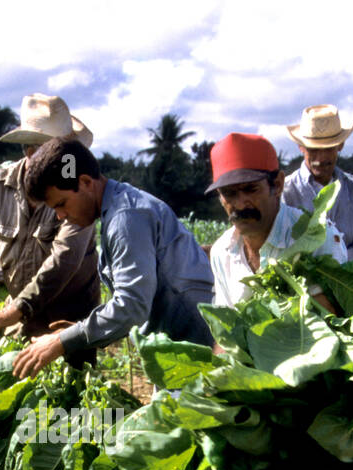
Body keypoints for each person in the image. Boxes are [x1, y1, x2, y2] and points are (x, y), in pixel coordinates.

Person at [13, 136, 214, 379]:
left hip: (199, 356)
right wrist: (78, 332)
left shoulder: (125, 218)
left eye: (62, 203)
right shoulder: (118, 207)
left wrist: (63, 341)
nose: (60, 216)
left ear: (86, 182)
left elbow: (132, 306)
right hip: (181, 353)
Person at [0, 94, 100, 360]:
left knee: (69, 401)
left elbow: (64, 259)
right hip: (20, 323)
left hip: (68, 327)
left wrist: (17, 308)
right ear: (32, 151)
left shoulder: (76, 191)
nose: (65, 162)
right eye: (57, 153)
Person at [205, 132, 347, 308]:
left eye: (251, 189)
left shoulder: (319, 239)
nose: (240, 205)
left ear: (278, 185)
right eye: (229, 193)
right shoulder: (222, 252)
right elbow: (226, 328)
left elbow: (334, 324)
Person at [281, 105, 353, 261]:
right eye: (313, 150)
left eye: (328, 149)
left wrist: (341, 259)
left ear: (340, 146)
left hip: (346, 279)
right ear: (301, 147)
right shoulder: (286, 191)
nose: (321, 158)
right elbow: (278, 248)